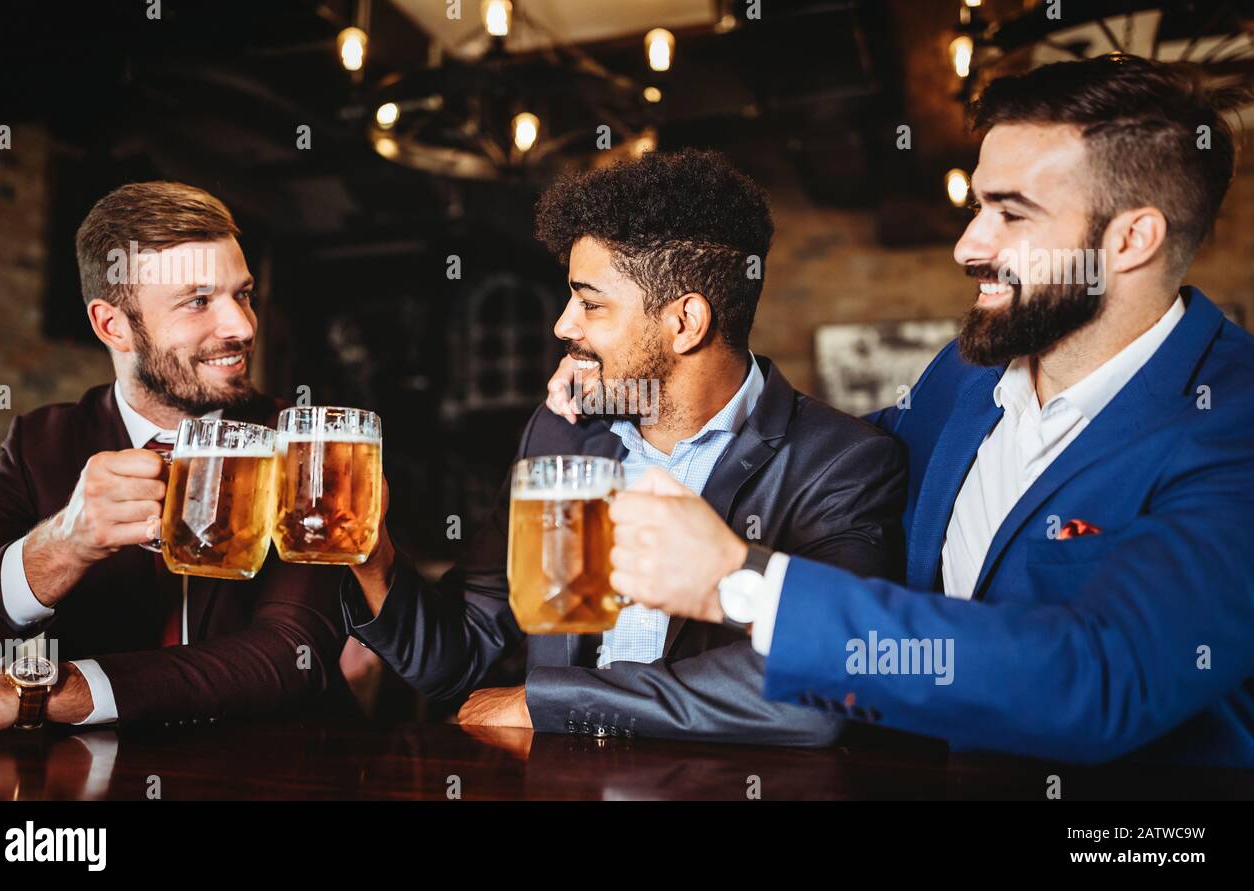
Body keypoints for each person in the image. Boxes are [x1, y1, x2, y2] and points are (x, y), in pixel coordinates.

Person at [550, 56, 1254, 767]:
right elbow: (827, 453)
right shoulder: (969, 373)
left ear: (1131, 239)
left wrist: (737, 583)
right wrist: (637, 385)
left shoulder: (1236, 423)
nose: (968, 245)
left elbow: (1101, 679)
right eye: (977, 207)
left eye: (1012, 214)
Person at [342, 149, 907, 745]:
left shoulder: (841, 462)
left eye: (590, 304)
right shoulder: (562, 432)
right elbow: (456, 651)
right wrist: (371, 556)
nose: (564, 325)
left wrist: (554, 704)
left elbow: (823, 685)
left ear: (685, 322)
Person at [0, 182, 351, 732]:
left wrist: (40, 694)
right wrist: (62, 546)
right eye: (198, 301)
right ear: (112, 325)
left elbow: (291, 653)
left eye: (243, 294)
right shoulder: (39, 442)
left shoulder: (308, 445)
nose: (242, 326)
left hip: (274, 772)